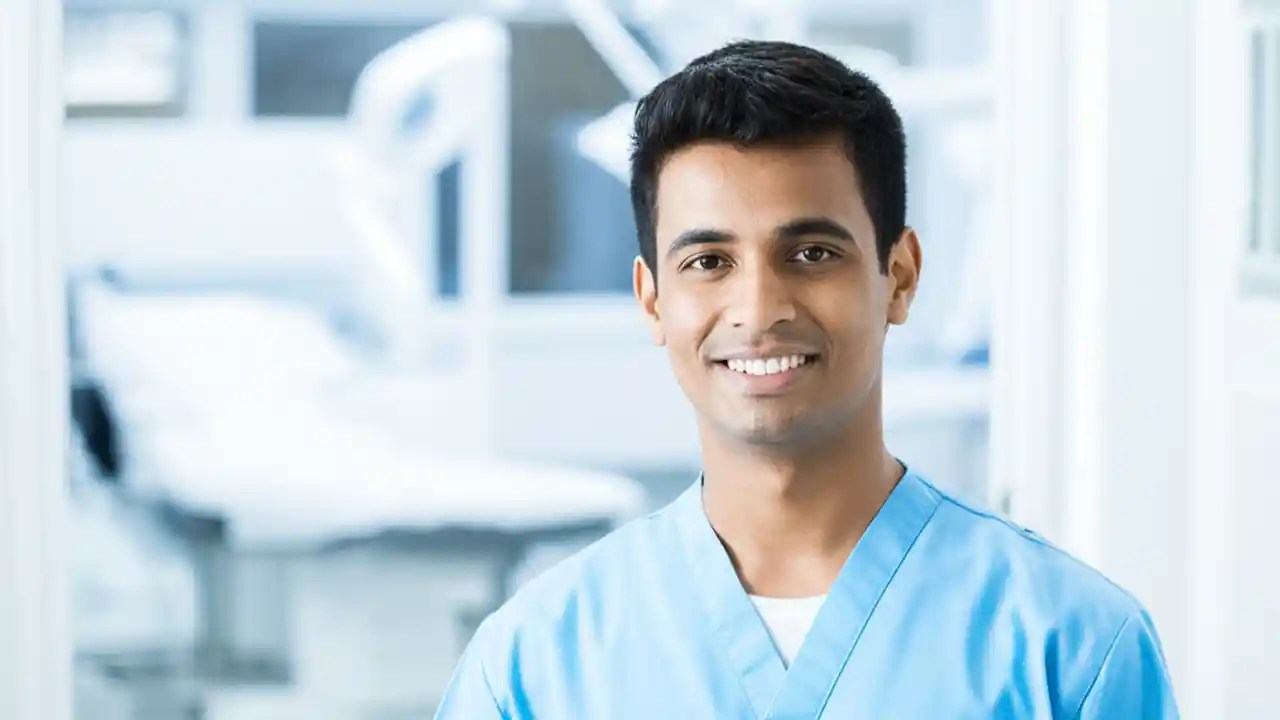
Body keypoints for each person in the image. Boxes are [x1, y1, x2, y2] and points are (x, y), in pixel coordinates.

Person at [434, 40, 1179, 718]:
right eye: (708, 262)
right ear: (652, 298)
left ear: (900, 276)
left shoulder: (1072, 652)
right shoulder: (533, 671)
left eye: (812, 253)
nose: (759, 310)